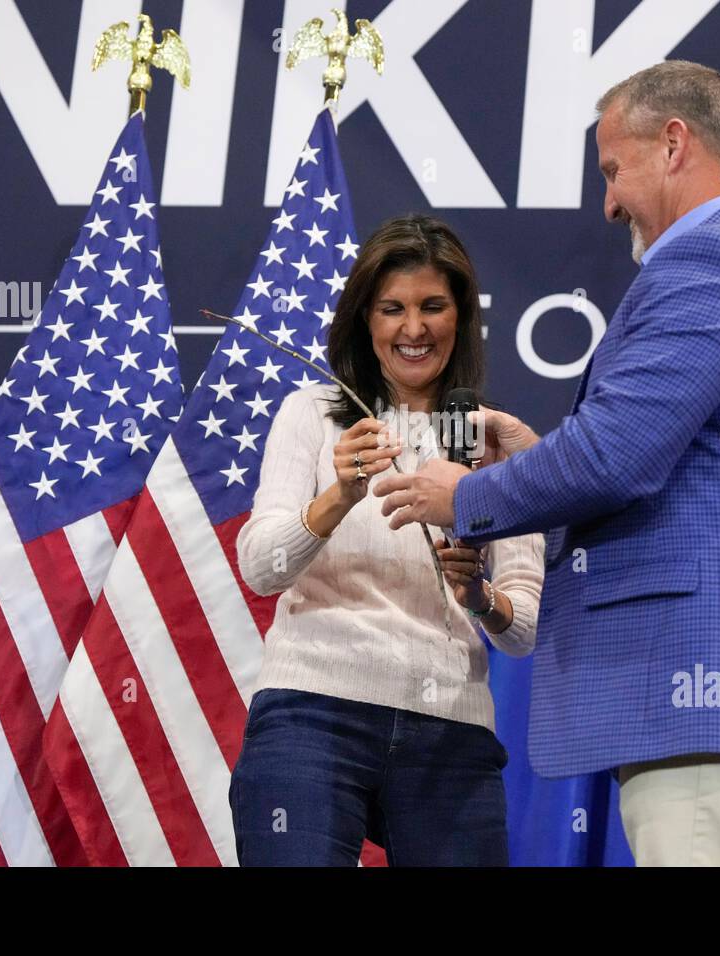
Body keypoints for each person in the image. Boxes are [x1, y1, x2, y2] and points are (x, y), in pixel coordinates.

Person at [373, 61, 720, 866]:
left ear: (674, 143)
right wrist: (545, 463)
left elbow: (616, 457)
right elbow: (683, 459)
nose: (608, 202)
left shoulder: (708, 261)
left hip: (716, 694)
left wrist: (466, 493)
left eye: (614, 169)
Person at [230, 214, 545, 866]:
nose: (413, 329)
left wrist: (478, 595)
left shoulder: (495, 439)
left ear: (460, 317)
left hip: (450, 728)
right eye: (392, 309)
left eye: (433, 306)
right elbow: (262, 569)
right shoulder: (314, 414)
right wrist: (338, 496)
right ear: (364, 320)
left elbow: (525, 629)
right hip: (312, 713)